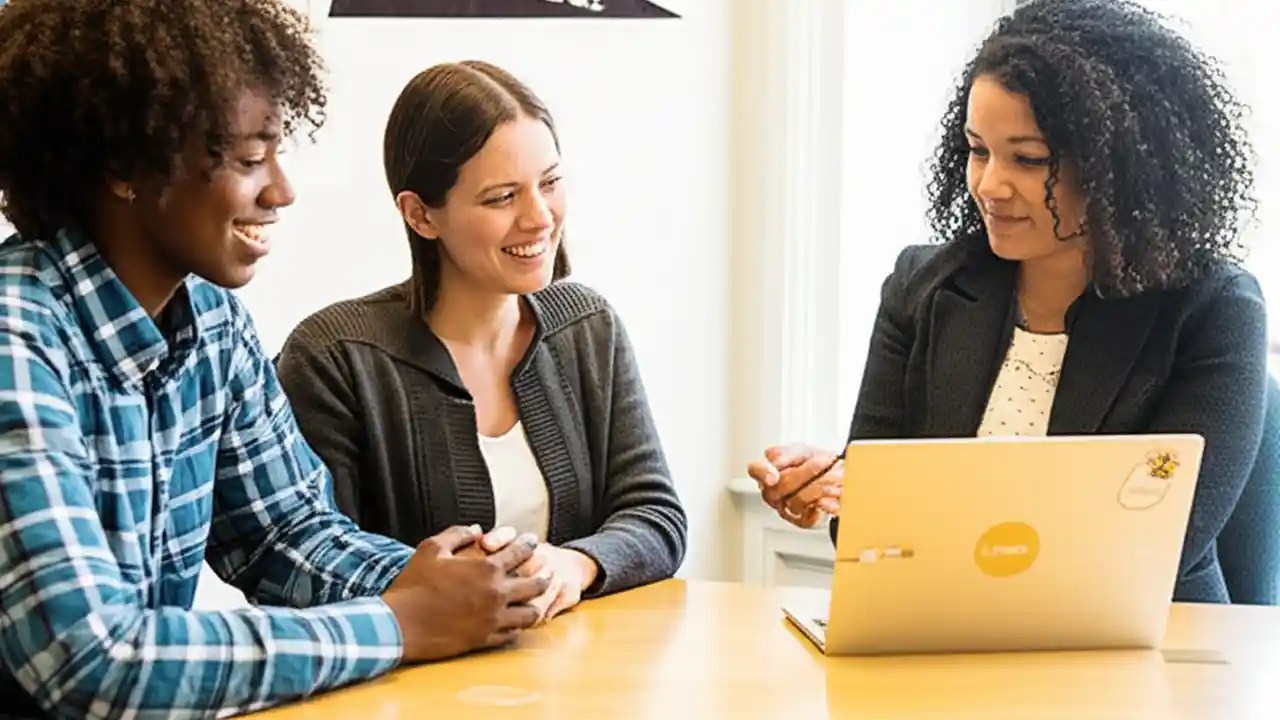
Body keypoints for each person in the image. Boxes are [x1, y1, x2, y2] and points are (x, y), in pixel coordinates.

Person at [0, 2, 550, 716]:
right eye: (251, 159)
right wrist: (402, 622)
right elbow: (92, 660)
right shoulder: (17, 339)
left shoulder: (212, 321)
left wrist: (462, 582)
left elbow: (285, 536)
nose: (281, 190)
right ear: (125, 166)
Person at [748, 0, 1268, 603]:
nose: (989, 185)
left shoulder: (1214, 310)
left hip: (1144, 652)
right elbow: (867, 538)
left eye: (1028, 159)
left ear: (1117, 168)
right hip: (951, 632)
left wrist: (923, 506)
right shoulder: (923, 288)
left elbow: (1159, 544)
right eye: (977, 150)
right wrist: (837, 488)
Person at [275, 60, 687, 623]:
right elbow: (304, 559)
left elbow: (654, 514)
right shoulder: (333, 359)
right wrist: (457, 588)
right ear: (420, 214)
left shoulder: (587, 328)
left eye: (550, 182)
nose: (539, 217)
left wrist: (574, 565)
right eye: (501, 198)